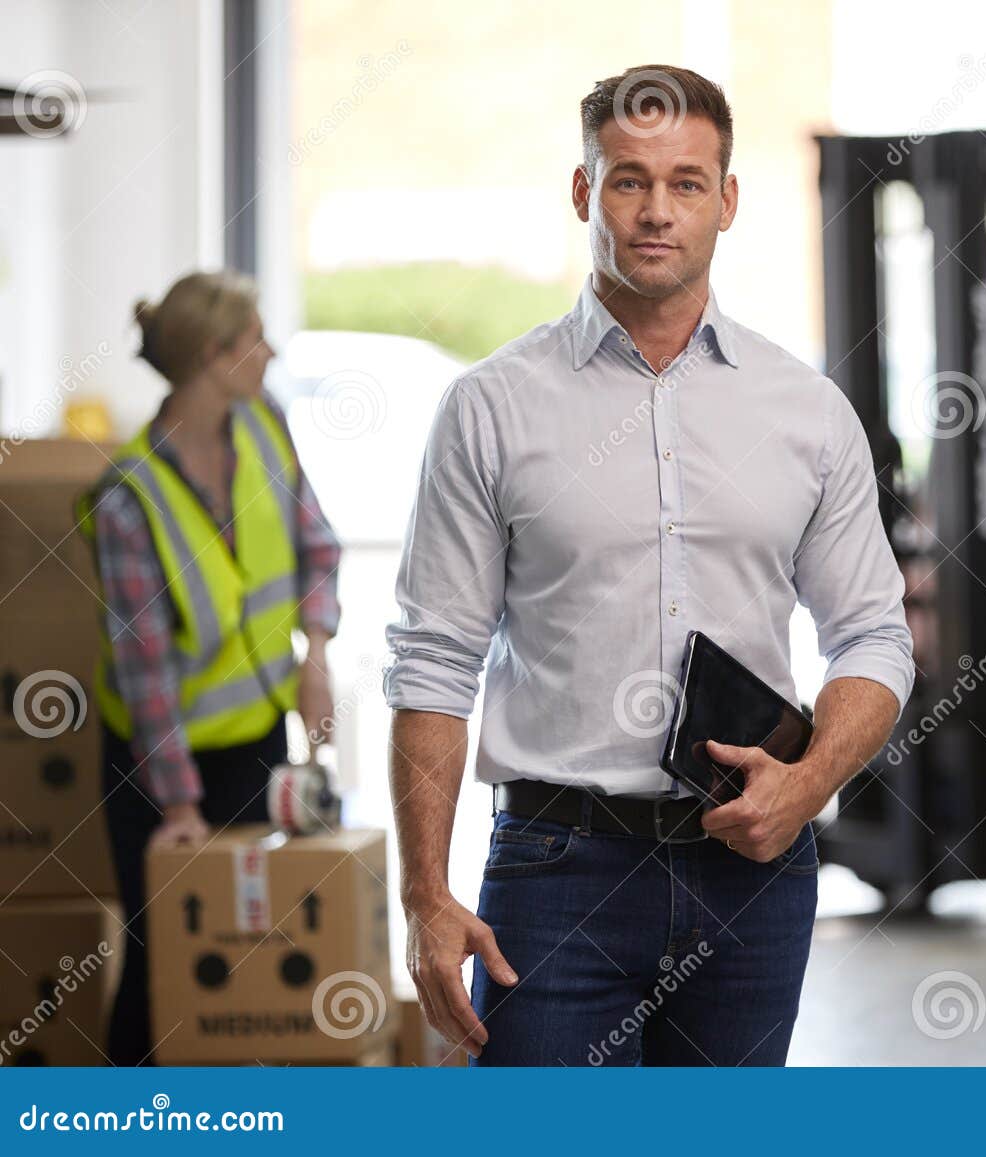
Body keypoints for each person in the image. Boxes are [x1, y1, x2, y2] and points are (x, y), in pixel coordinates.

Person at [385, 65, 913, 1067]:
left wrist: (808, 783)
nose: (657, 210)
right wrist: (424, 894)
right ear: (584, 192)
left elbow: (873, 635)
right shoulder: (491, 408)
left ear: (727, 200)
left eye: (686, 182)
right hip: (556, 870)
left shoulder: (805, 412)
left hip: (752, 871)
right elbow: (434, 662)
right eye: (629, 180)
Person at [78, 271, 341, 1066]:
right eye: (255, 339)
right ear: (214, 358)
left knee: (249, 949)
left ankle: (237, 1117)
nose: (270, 353)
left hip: (252, 744)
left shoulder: (264, 426)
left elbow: (316, 544)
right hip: (157, 766)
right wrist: (179, 803)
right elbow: (144, 670)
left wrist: (317, 654)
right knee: (162, 954)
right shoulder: (130, 498)